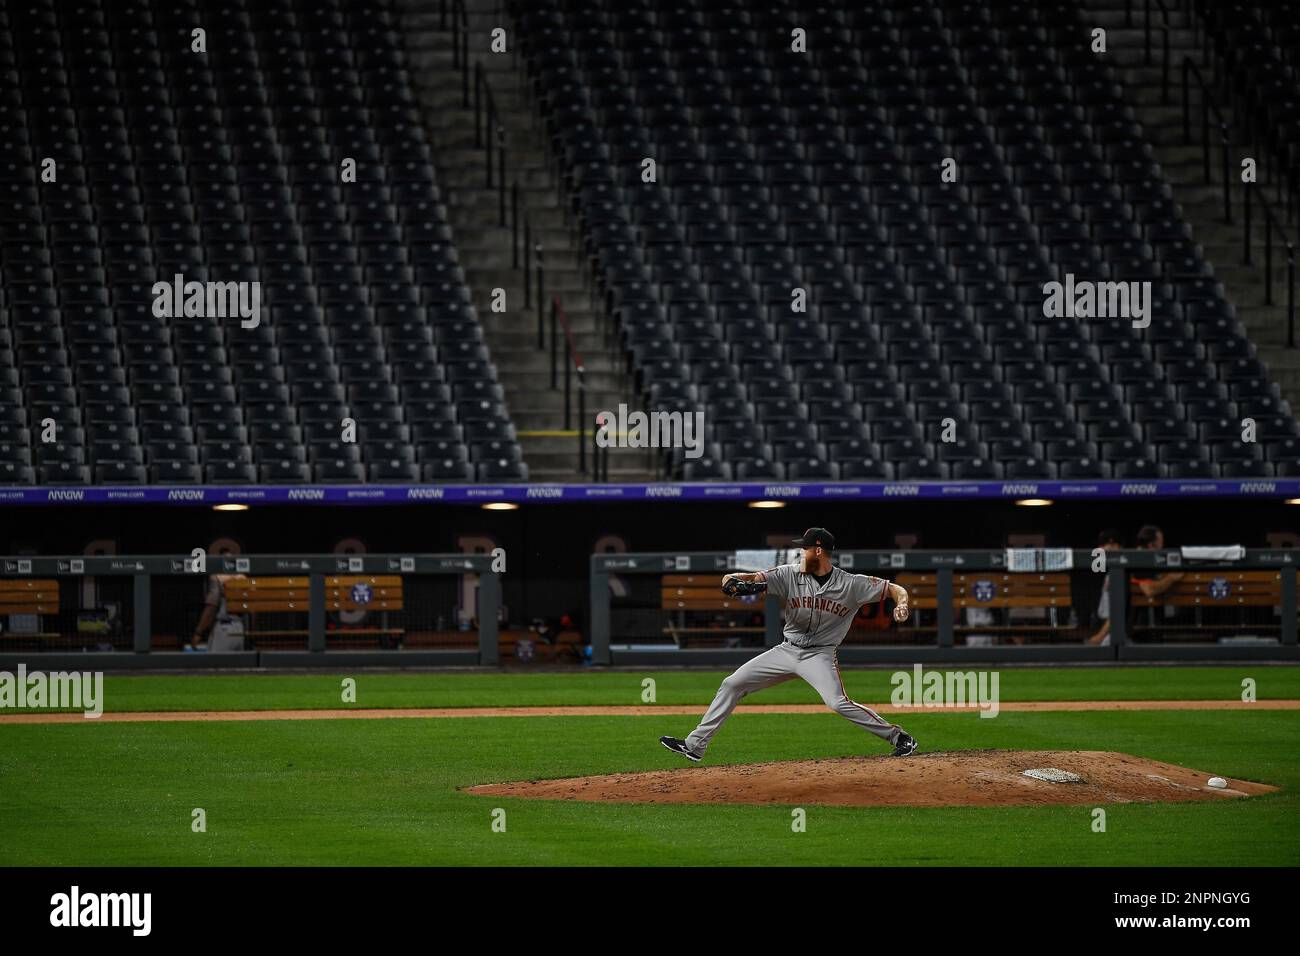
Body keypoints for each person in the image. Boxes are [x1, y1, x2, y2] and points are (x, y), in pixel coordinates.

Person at [660, 527, 917, 762]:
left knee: (837, 702)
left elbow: (895, 589)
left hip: (820, 655)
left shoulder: (851, 584)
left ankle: (898, 737)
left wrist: (902, 603)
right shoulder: (790, 574)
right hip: (787, 650)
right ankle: (695, 746)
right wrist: (731, 578)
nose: (800, 552)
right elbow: (751, 577)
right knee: (732, 683)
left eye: (804, 548)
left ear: (818, 551)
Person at [1087, 525, 1184, 646]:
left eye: (1111, 544)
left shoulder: (1131, 566)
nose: (1106, 548)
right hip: (1107, 630)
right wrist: (1171, 578)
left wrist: (1099, 636)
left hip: (1123, 632)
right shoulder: (1097, 572)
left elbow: (1120, 609)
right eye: (1103, 545)